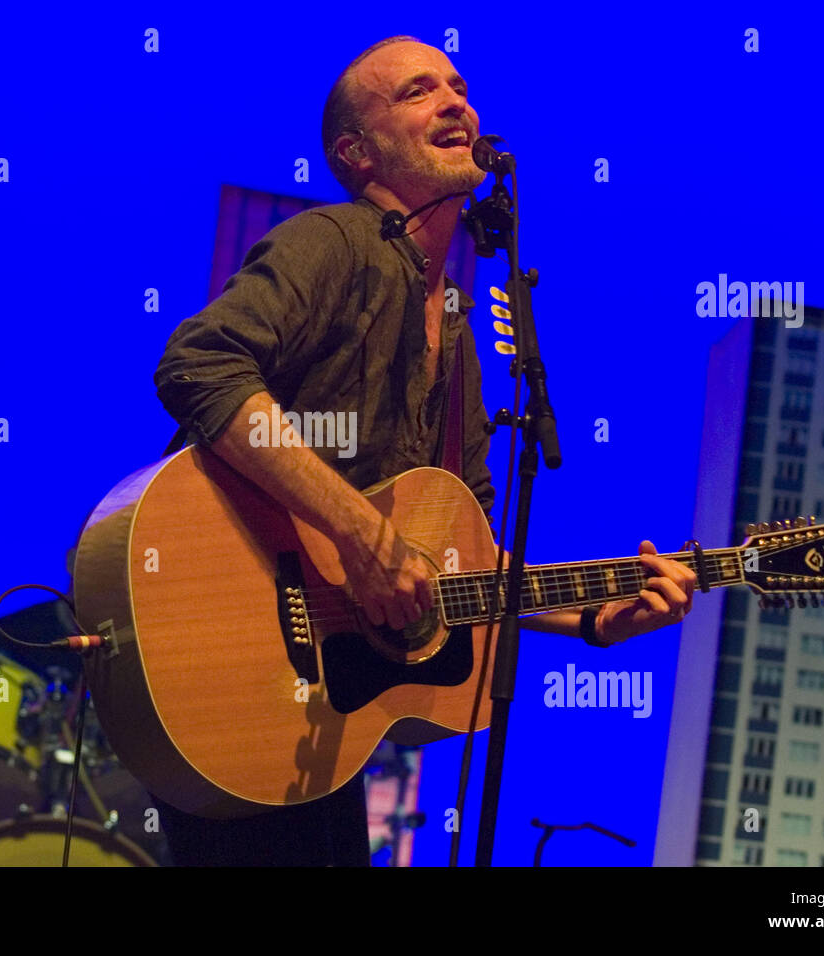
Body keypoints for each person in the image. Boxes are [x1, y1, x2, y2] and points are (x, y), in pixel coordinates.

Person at [151, 36, 697, 866]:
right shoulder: (332, 241)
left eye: (460, 87)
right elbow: (199, 363)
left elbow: (458, 557)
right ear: (355, 151)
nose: (456, 102)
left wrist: (593, 617)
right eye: (417, 91)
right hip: (231, 653)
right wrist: (359, 534)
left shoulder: (453, 321)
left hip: (320, 710)